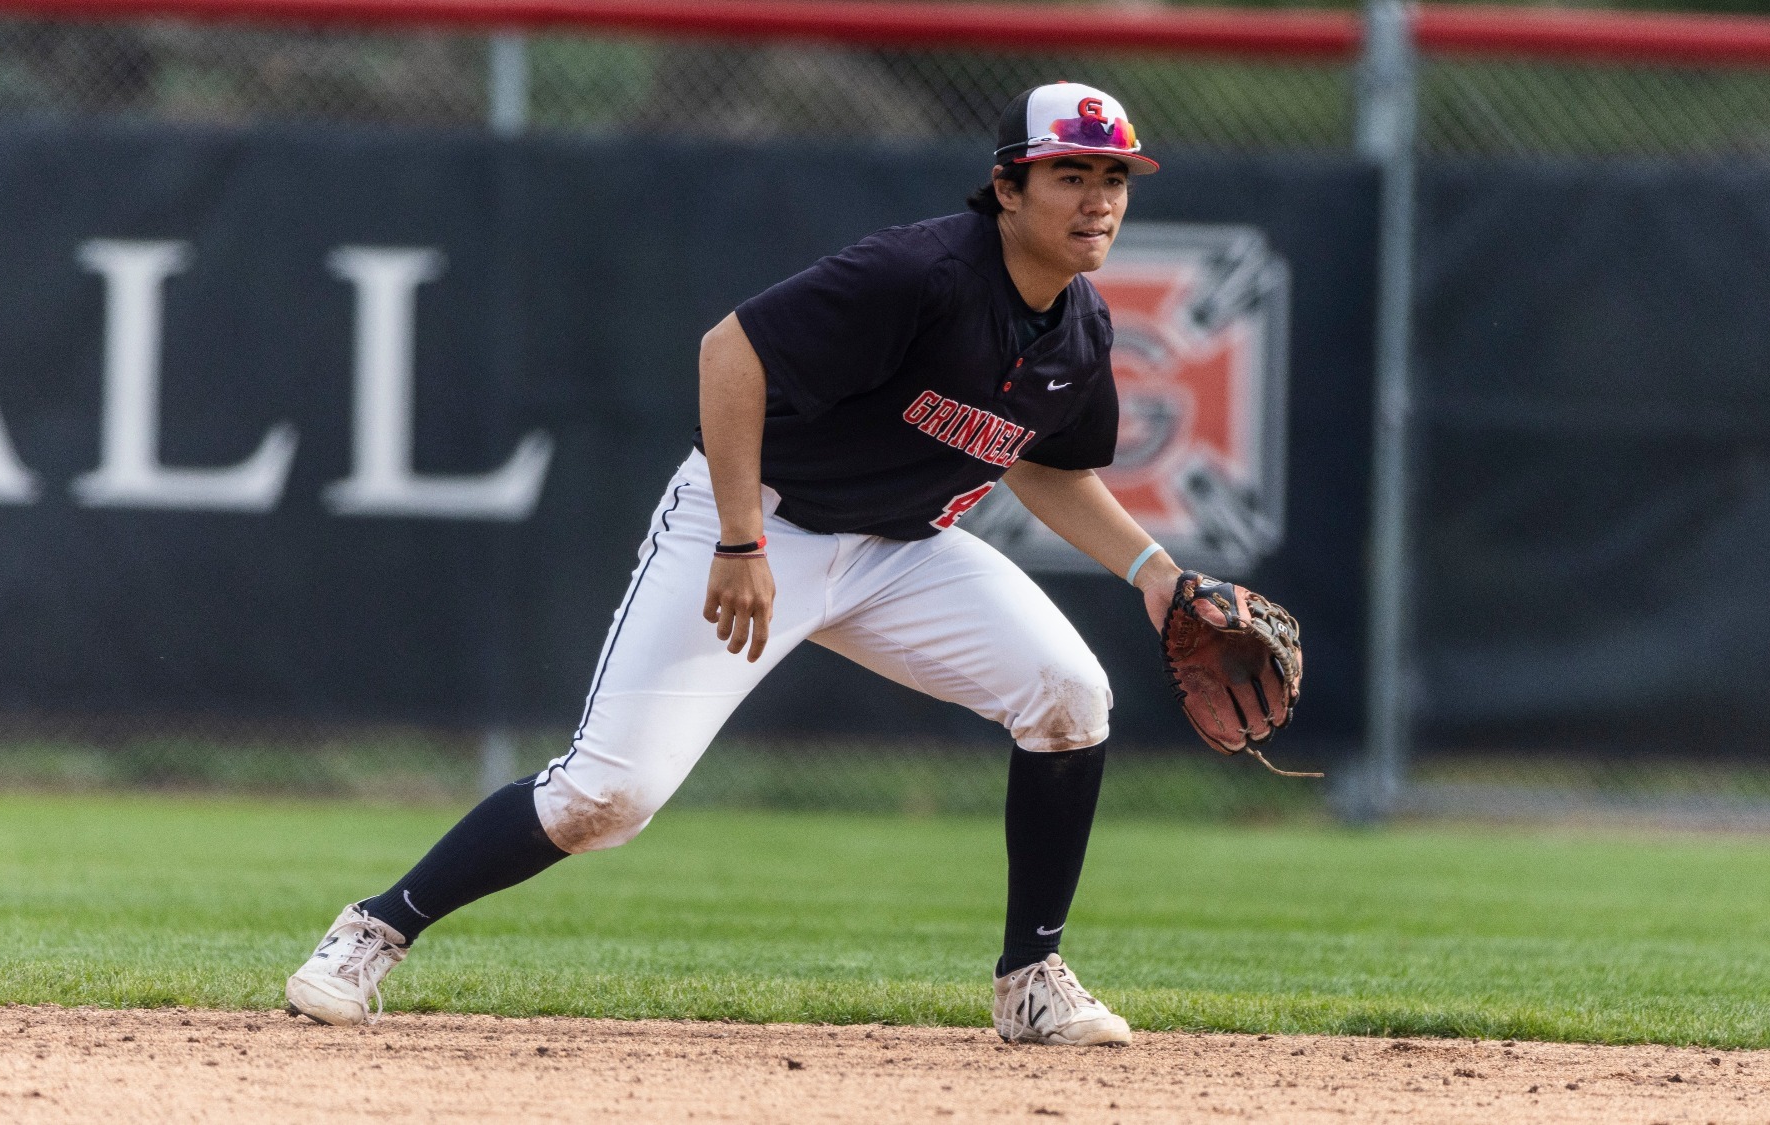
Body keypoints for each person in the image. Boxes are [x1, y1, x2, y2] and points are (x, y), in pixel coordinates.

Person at [286, 81, 1180, 1048]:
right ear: (1008, 188)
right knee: (605, 798)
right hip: (761, 517)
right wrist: (742, 538)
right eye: (1069, 175)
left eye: (1113, 178)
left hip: (902, 549)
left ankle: (1031, 980)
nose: (1098, 200)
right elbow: (730, 352)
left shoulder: (1082, 328)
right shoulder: (919, 271)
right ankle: (373, 929)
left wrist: (1157, 574)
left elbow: (1049, 467)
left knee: (1068, 693)